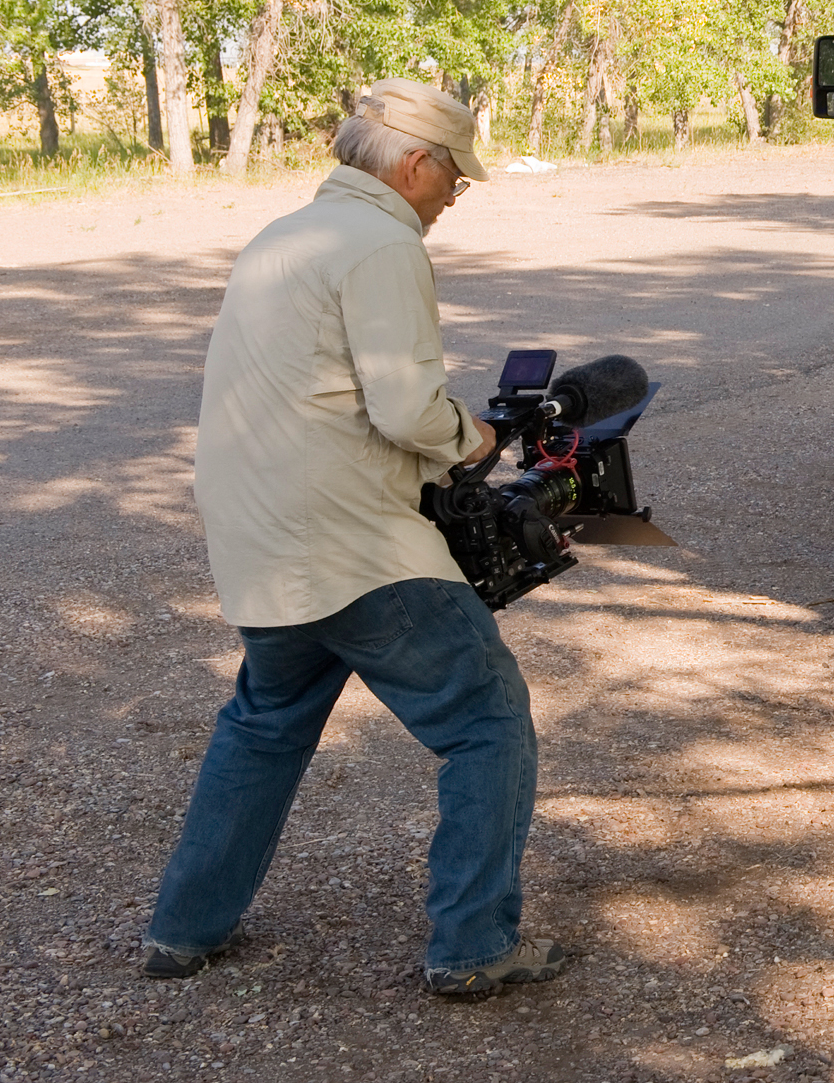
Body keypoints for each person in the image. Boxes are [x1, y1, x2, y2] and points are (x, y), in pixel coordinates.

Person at [140, 79, 566, 1001]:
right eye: (454, 177)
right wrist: (474, 438)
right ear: (414, 163)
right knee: (488, 723)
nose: (457, 196)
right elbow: (406, 406)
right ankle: (473, 944)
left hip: (261, 544)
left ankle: (183, 930)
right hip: (351, 547)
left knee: (263, 727)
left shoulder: (283, 235)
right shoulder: (381, 243)